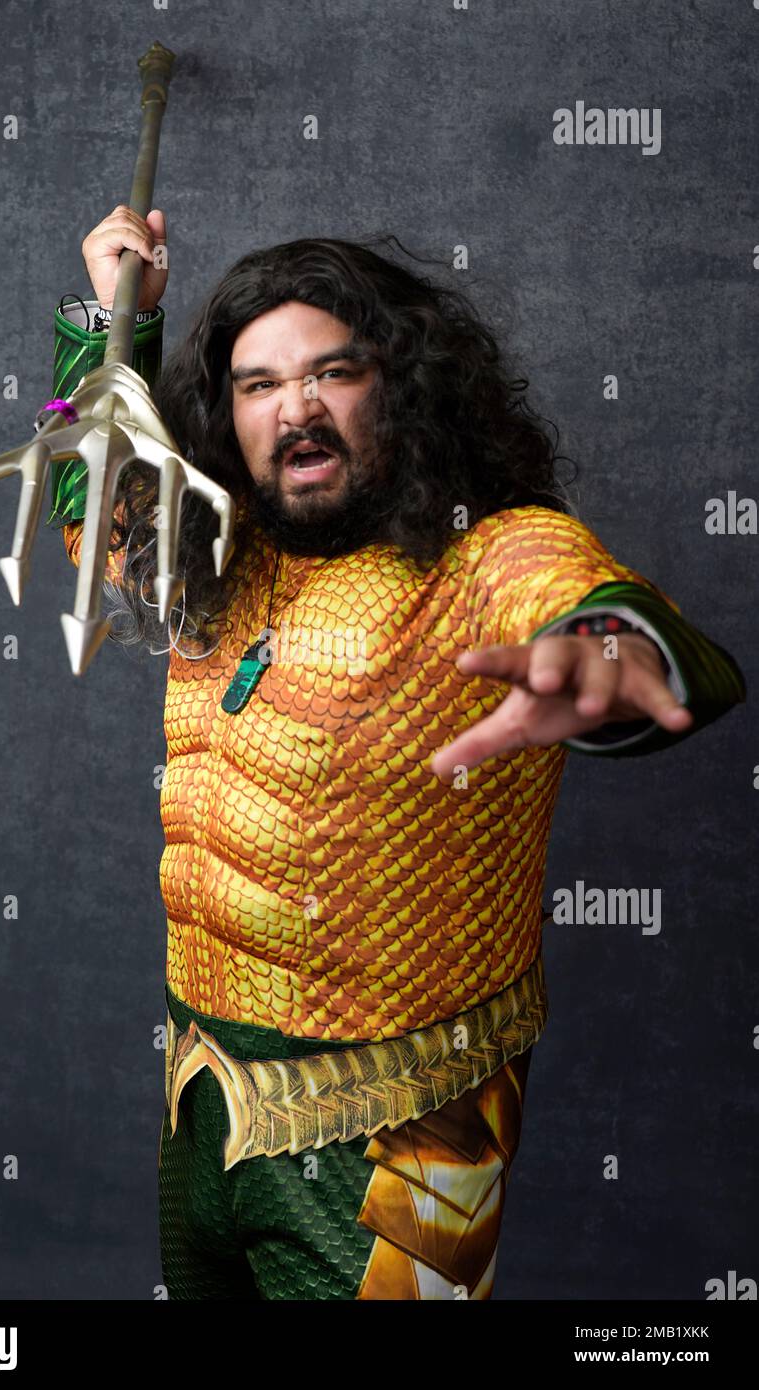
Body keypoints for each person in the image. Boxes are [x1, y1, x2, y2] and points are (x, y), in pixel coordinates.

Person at [46, 205, 746, 1300]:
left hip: (400, 1142)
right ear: (224, 414)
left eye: (335, 373)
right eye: (259, 385)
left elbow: (615, 619)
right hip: (198, 1107)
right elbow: (96, 512)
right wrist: (111, 314)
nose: (298, 410)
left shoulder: (489, 553)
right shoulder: (212, 555)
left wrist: (608, 656)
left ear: (402, 386)